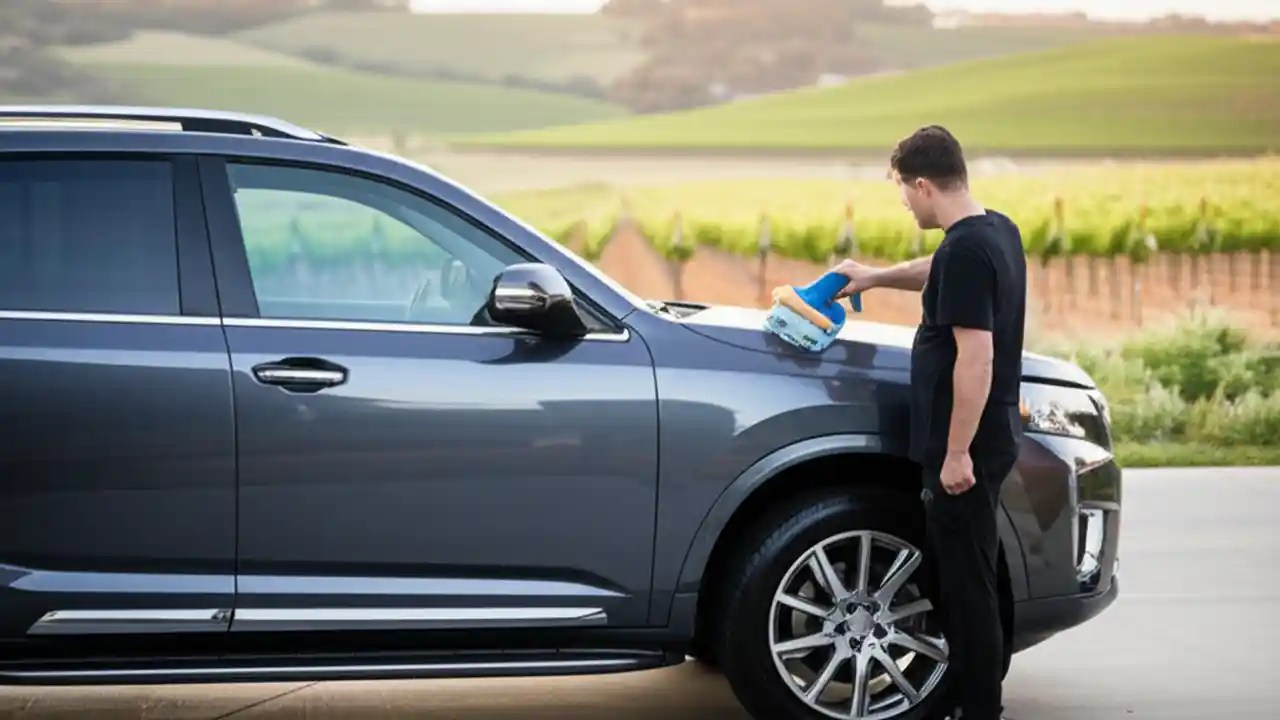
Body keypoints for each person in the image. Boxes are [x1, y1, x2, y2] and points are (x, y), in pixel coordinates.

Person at [832, 125, 1026, 720]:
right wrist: (873, 276)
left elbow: (978, 355)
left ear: (923, 184)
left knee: (965, 590)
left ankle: (977, 708)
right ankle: (971, 698)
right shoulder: (993, 230)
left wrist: (957, 453)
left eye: (903, 191)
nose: (903, 202)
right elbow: (937, 267)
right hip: (983, 436)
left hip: (966, 443)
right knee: (961, 576)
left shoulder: (967, 248)